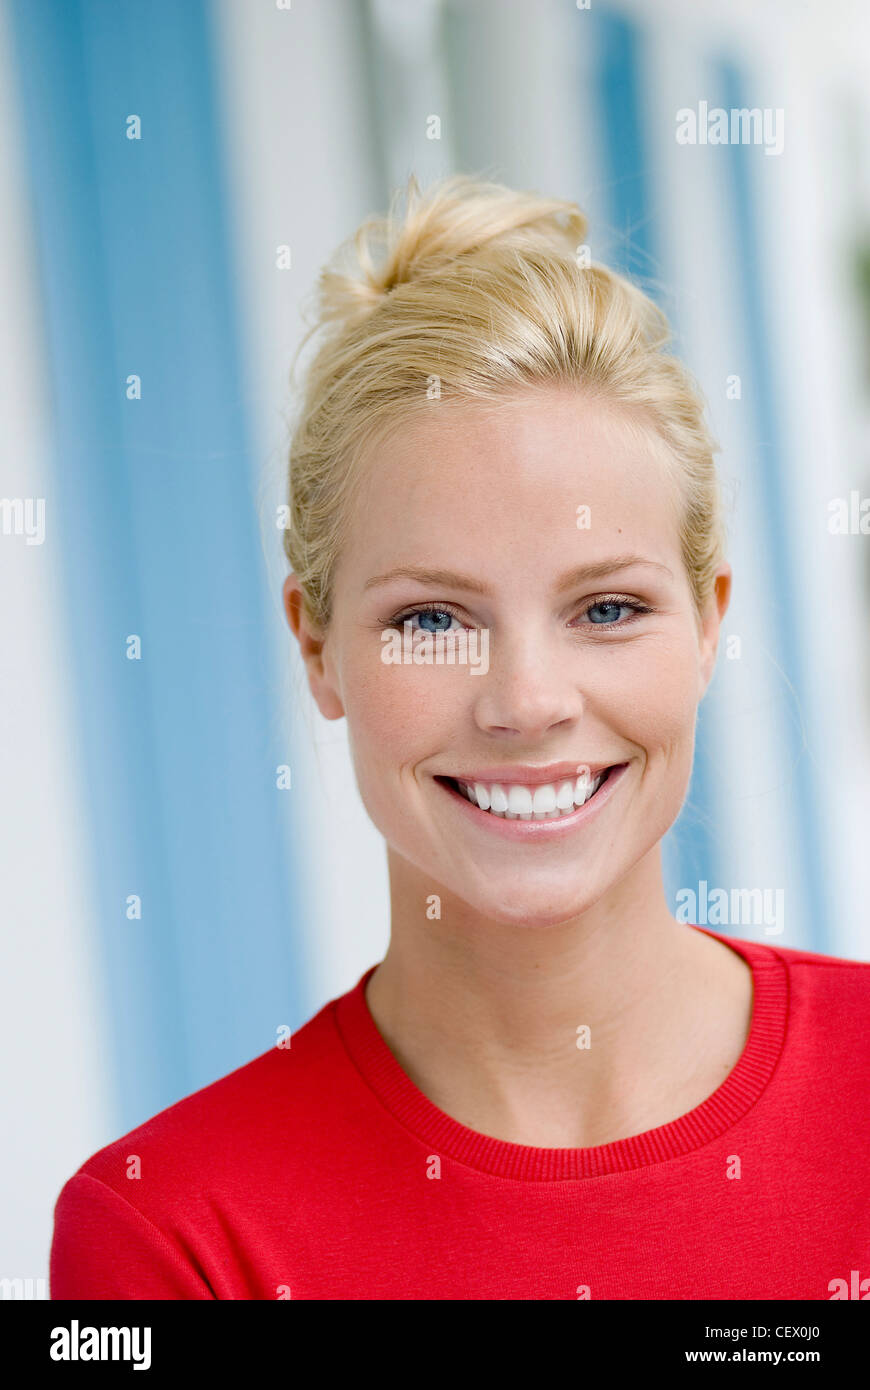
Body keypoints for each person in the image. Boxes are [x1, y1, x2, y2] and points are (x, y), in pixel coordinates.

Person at [51, 173, 870, 1300]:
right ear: (316, 644)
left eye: (607, 609)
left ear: (709, 624)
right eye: (432, 618)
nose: (526, 701)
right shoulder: (174, 1234)